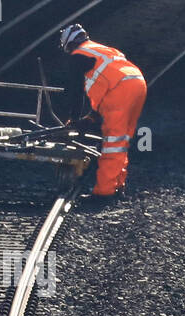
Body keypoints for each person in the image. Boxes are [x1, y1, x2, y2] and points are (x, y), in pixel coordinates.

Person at [59, 23, 147, 197]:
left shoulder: (78, 55)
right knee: (121, 140)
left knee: (113, 143)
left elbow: (75, 91)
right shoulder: (101, 50)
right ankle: (117, 185)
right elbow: (104, 84)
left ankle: (103, 192)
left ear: (68, 44)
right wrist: (92, 116)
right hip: (138, 84)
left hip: (121, 89)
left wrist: (74, 118)